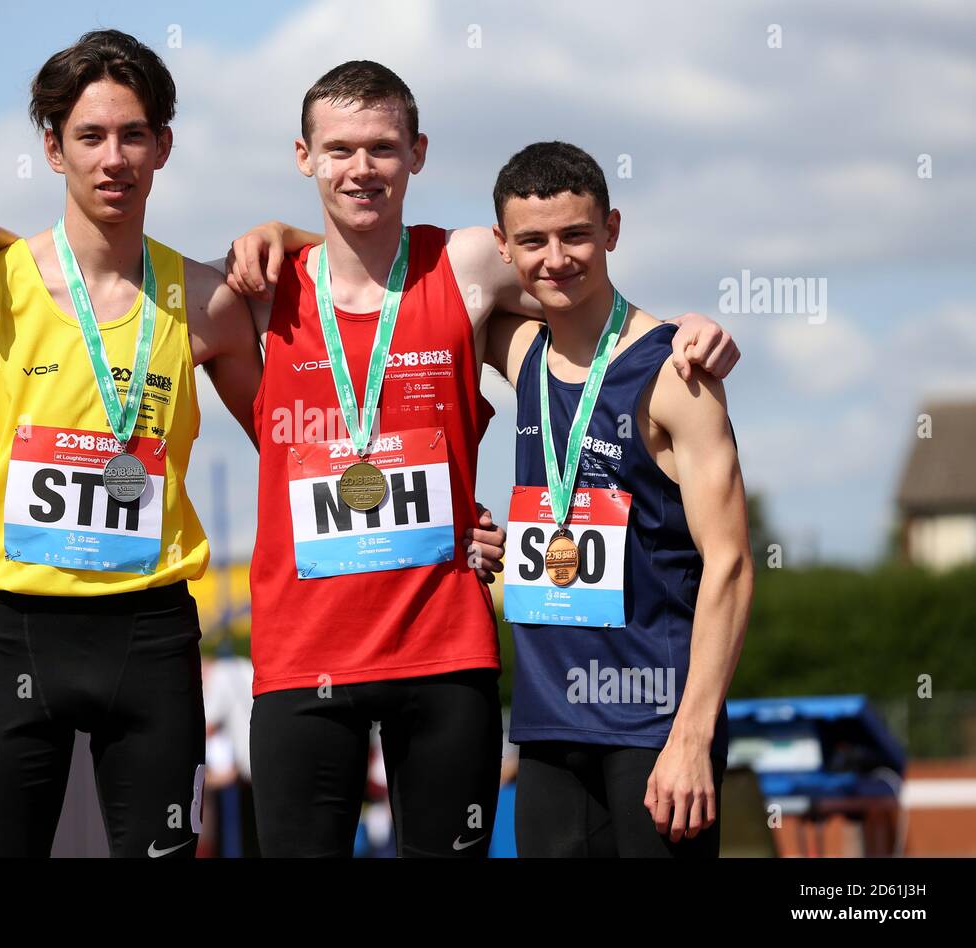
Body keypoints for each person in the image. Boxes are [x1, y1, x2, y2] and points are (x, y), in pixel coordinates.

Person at [222, 61, 740, 857]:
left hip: (459, 657)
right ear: (304, 156)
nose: (362, 168)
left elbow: (589, 301)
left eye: (383, 148)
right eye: (340, 150)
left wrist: (691, 328)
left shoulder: (465, 267)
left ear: (418, 153)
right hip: (334, 669)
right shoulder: (261, 291)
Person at [0, 28, 264, 858]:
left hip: (150, 639)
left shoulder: (206, 303)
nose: (115, 159)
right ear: (52, 148)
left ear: (164, 146)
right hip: (13, 634)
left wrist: (289, 231)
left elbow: (289, 449)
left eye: (134, 134)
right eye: (90, 137)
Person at [484, 141, 753, 856]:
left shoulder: (675, 375)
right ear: (502, 247)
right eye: (532, 241)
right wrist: (281, 235)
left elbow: (729, 564)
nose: (556, 258)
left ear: (612, 231)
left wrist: (692, 736)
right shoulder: (519, 352)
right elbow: (396, 263)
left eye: (576, 234)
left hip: (654, 729)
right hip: (548, 731)